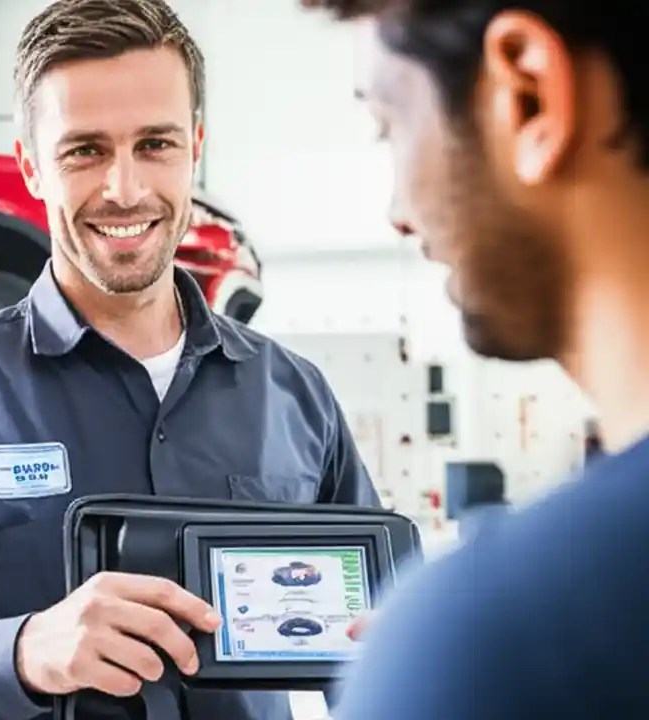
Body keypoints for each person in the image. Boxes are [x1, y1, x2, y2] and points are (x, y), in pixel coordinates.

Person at [0, 1, 380, 718]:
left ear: (195, 147)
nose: (125, 189)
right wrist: (19, 655)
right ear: (31, 166)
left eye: (155, 145)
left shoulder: (295, 397)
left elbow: (375, 660)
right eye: (85, 150)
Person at [296, 1, 649, 718]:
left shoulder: (496, 644)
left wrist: (427, 653)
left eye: (389, 125)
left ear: (527, 95)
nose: (398, 210)